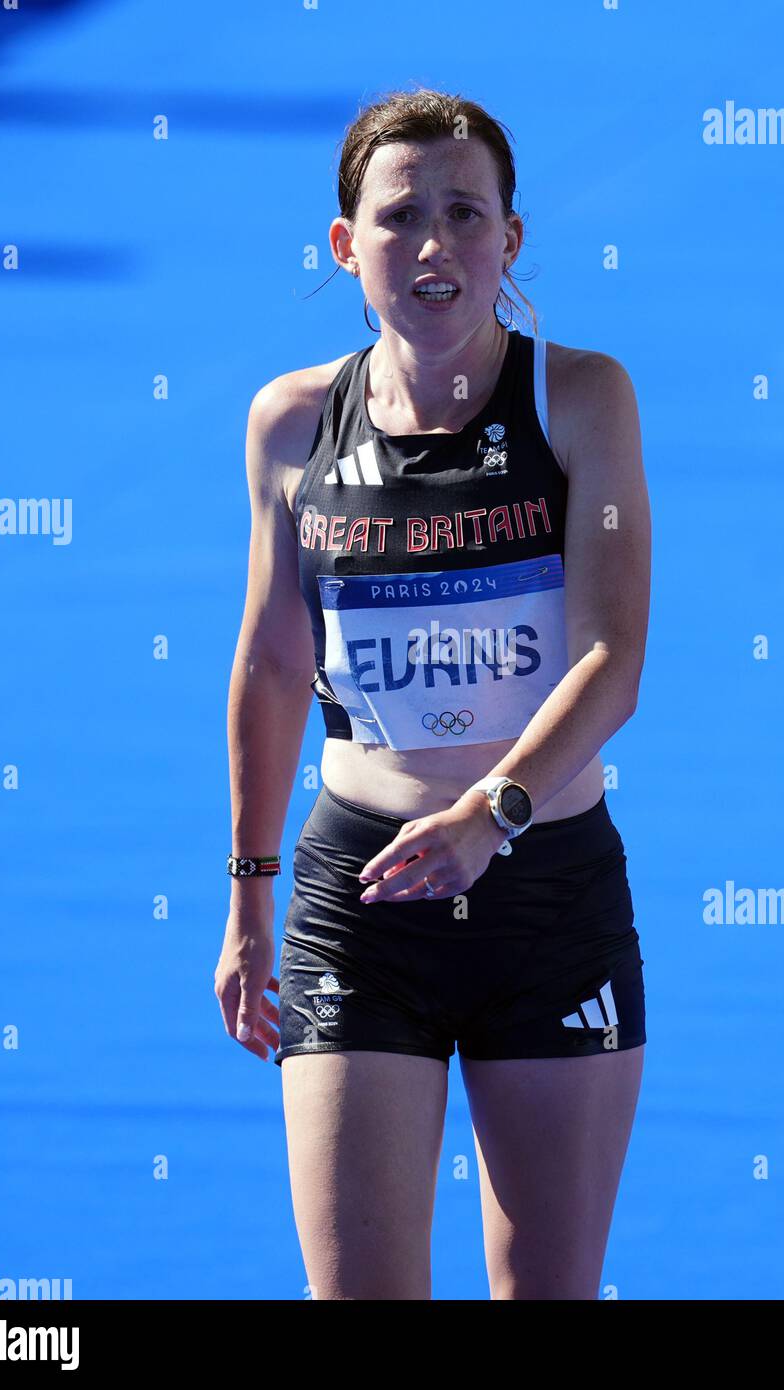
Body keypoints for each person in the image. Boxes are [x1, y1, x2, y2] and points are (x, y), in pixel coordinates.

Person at [214, 88, 651, 1301]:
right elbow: (271, 664)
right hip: (361, 894)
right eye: (400, 217)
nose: (435, 245)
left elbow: (612, 659)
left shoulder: (582, 401)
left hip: (546, 889)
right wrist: (250, 899)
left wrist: (490, 815)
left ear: (510, 240)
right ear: (347, 245)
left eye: (467, 214)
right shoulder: (292, 426)